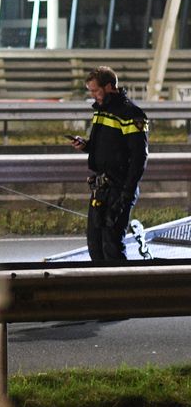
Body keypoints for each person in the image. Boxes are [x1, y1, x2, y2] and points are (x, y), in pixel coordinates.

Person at [69, 66, 148, 261]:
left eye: (96, 90)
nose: (93, 95)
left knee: (111, 245)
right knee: (95, 245)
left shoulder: (132, 114)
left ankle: (119, 289)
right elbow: (105, 147)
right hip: (101, 187)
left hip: (119, 187)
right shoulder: (101, 111)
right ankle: (100, 289)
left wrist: (126, 194)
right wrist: (86, 146)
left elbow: (139, 158)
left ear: (110, 86)